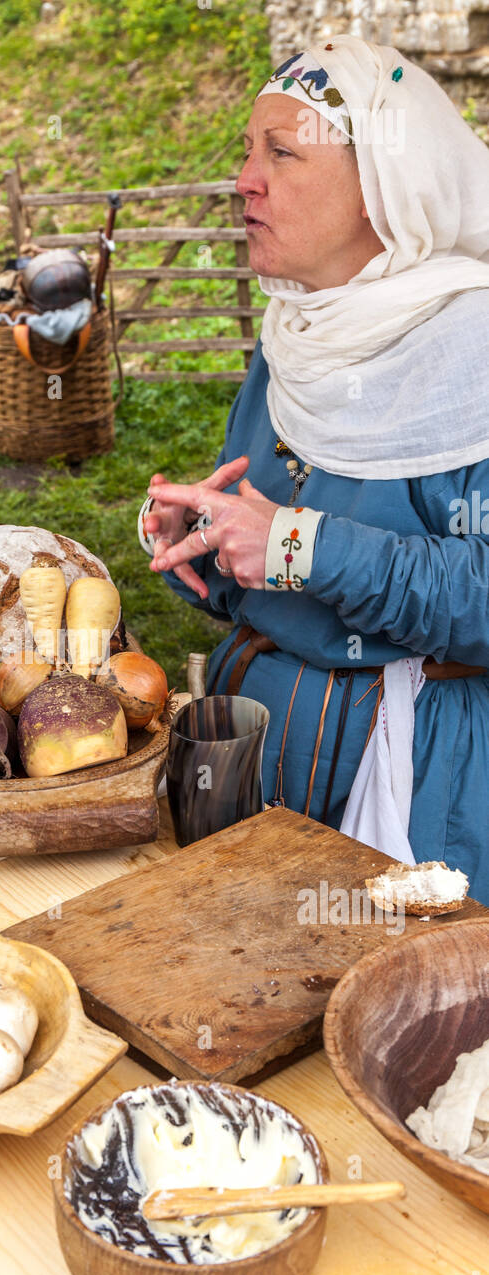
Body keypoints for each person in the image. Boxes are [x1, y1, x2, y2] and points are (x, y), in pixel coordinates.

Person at [142, 34, 489, 902]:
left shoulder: (472, 351)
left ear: (382, 186)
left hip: (403, 785)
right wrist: (213, 548)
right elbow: (269, 539)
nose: (244, 179)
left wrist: (297, 546)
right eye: (249, 151)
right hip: (267, 752)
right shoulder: (299, 331)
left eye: (283, 153)